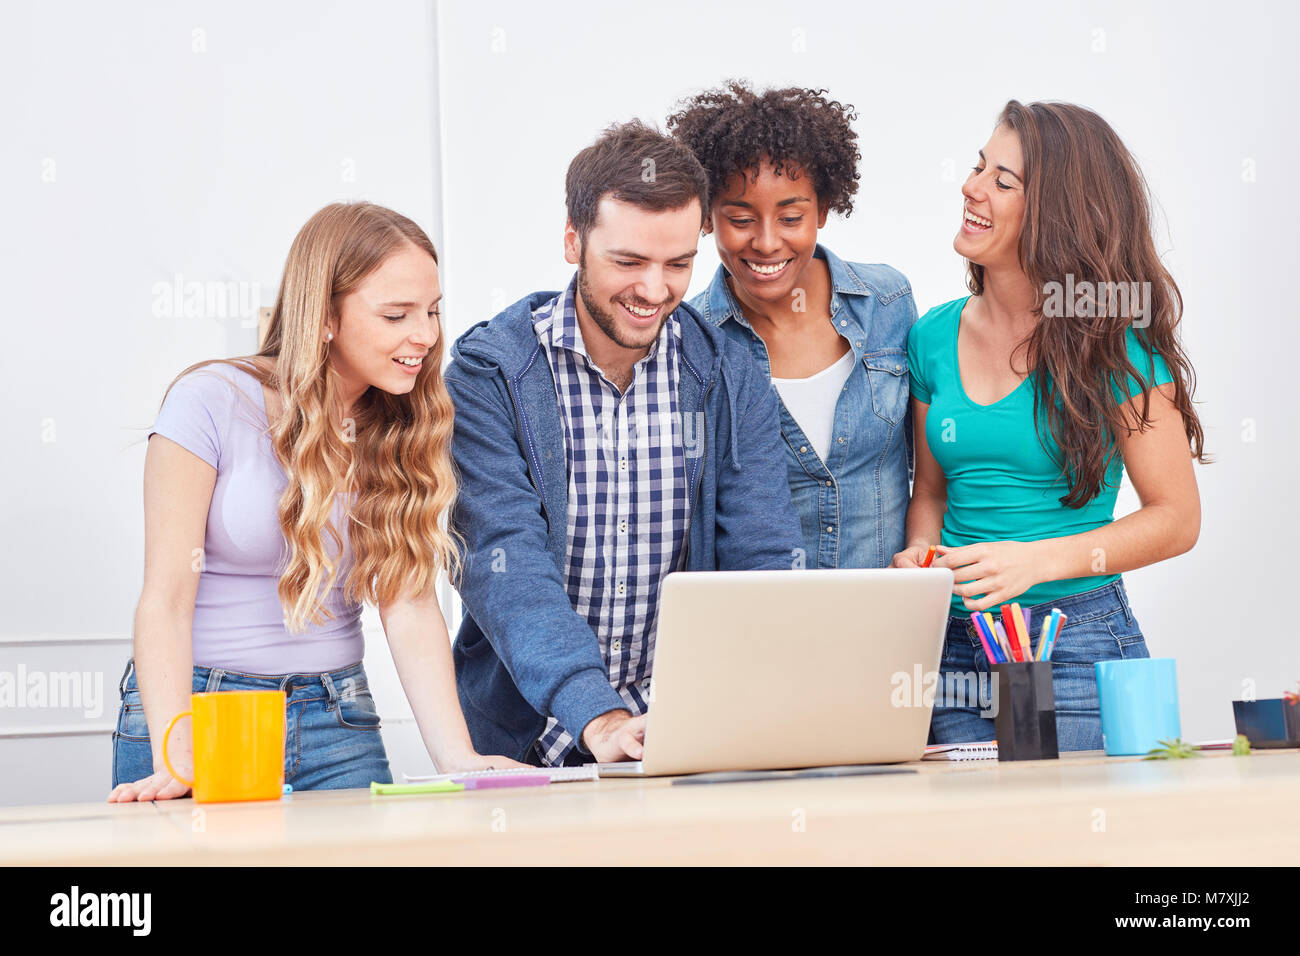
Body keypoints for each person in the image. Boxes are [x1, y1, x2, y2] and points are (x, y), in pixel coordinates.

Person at [109, 202, 522, 802]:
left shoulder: (403, 423)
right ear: (325, 316)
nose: (427, 336)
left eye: (431, 311)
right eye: (396, 315)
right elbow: (166, 598)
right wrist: (179, 755)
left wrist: (459, 758)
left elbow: (407, 601)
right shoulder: (209, 402)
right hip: (199, 712)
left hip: (338, 717)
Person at [445, 121, 804, 768]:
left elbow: (764, 556)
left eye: (678, 264)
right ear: (572, 241)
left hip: (681, 737)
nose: (655, 290)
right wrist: (598, 714)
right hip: (528, 739)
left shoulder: (728, 371)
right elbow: (504, 560)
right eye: (628, 261)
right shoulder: (490, 374)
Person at [893, 100, 1206, 749]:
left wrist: (1032, 563)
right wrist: (920, 562)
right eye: (980, 167)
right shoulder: (931, 337)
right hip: (953, 652)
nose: (970, 187)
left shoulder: (1115, 348)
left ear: (1055, 213)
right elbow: (931, 493)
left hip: (1074, 641)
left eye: (1002, 181)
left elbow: (1177, 517)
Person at [671, 81, 916, 568]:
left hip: (890, 621)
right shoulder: (691, 341)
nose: (765, 243)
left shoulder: (889, 302)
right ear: (706, 217)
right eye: (740, 218)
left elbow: (930, 476)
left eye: (790, 217)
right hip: (763, 627)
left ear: (823, 210)